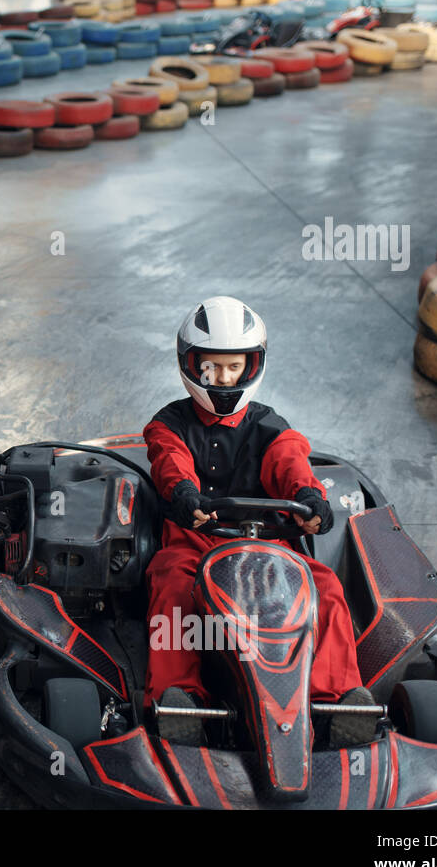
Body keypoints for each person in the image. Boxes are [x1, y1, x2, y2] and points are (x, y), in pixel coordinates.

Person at [143, 296, 376, 749]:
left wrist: (309, 498)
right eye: (212, 368)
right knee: (170, 579)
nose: (224, 379)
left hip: (269, 548)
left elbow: (291, 462)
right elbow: (170, 462)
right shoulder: (168, 424)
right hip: (196, 542)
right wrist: (184, 493)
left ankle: (339, 699)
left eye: (234, 367)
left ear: (252, 367)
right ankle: (179, 700)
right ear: (191, 366)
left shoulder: (269, 426)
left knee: (323, 585)